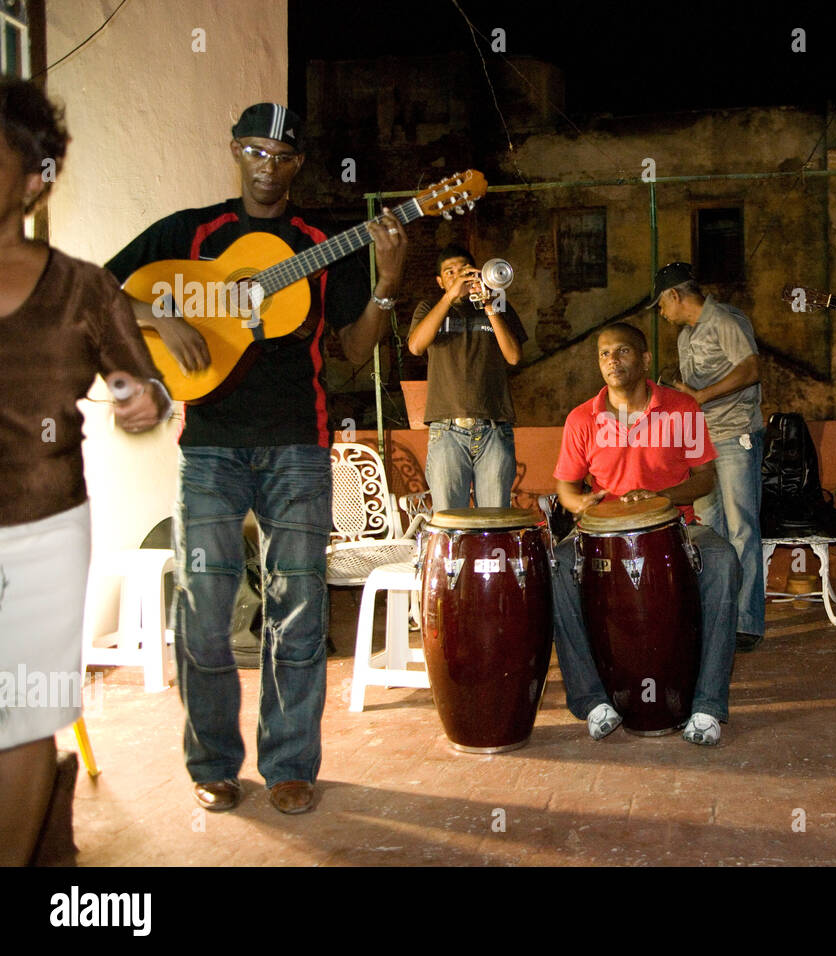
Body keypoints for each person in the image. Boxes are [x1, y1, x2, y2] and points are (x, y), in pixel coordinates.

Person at [104, 102, 408, 814]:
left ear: (298, 164)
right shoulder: (192, 231)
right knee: (204, 609)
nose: (268, 168)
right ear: (235, 152)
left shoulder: (321, 243)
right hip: (208, 445)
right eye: (255, 152)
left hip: (299, 445)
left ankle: (291, 763)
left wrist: (389, 283)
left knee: (298, 608)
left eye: (282, 156)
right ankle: (211, 763)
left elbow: (356, 350)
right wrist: (165, 315)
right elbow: (101, 292)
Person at [0, 79, 169, 864]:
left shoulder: (82, 287)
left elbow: (144, 383)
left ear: (36, 176)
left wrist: (141, 397)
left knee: (22, 716)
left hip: (38, 535)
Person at [550, 322, 740, 745]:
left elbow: (704, 477)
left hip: (677, 527)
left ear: (645, 358)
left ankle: (707, 705)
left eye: (622, 352)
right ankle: (592, 699)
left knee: (724, 560)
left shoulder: (682, 408)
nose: (612, 362)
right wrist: (579, 503)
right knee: (557, 567)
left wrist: (658, 494)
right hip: (599, 536)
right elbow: (565, 485)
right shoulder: (583, 418)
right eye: (603, 354)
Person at [653, 262, 766, 653]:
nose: (662, 313)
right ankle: (713, 614)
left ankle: (747, 622)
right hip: (702, 440)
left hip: (735, 434)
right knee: (708, 529)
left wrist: (701, 396)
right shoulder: (686, 336)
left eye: (661, 305)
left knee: (742, 528)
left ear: (674, 295)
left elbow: (752, 368)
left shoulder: (725, 319)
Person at [408, 245, 526, 513]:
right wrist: (450, 297)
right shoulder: (430, 307)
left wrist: (488, 304)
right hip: (447, 430)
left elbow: (513, 356)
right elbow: (416, 347)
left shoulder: (498, 304)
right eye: (450, 272)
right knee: (450, 521)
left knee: (495, 519)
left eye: (464, 269)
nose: (458, 275)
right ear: (440, 281)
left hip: (494, 428)